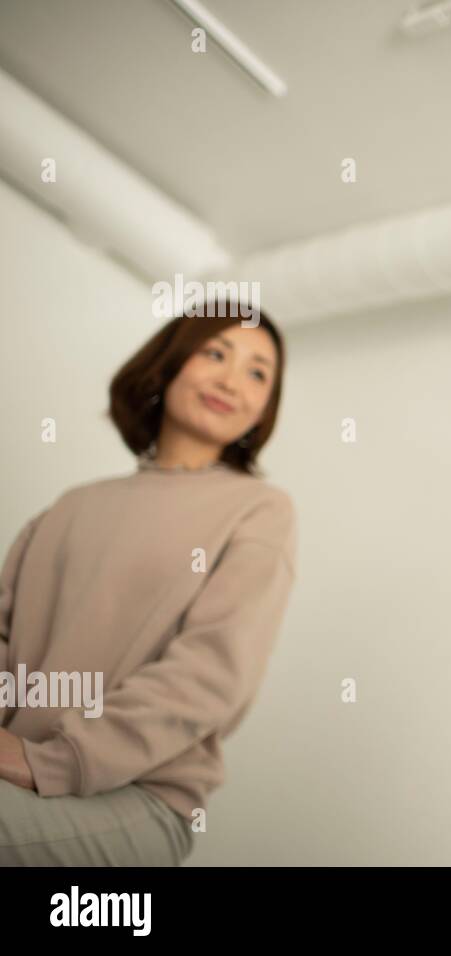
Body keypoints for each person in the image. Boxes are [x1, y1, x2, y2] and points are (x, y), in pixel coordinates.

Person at [0, 302, 297, 866]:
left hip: (138, 797)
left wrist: (53, 761)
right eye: (216, 352)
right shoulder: (69, 507)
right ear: (169, 365)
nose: (232, 381)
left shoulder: (259, 511)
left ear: (264, 411)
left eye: (258, 372)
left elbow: (209, 677)